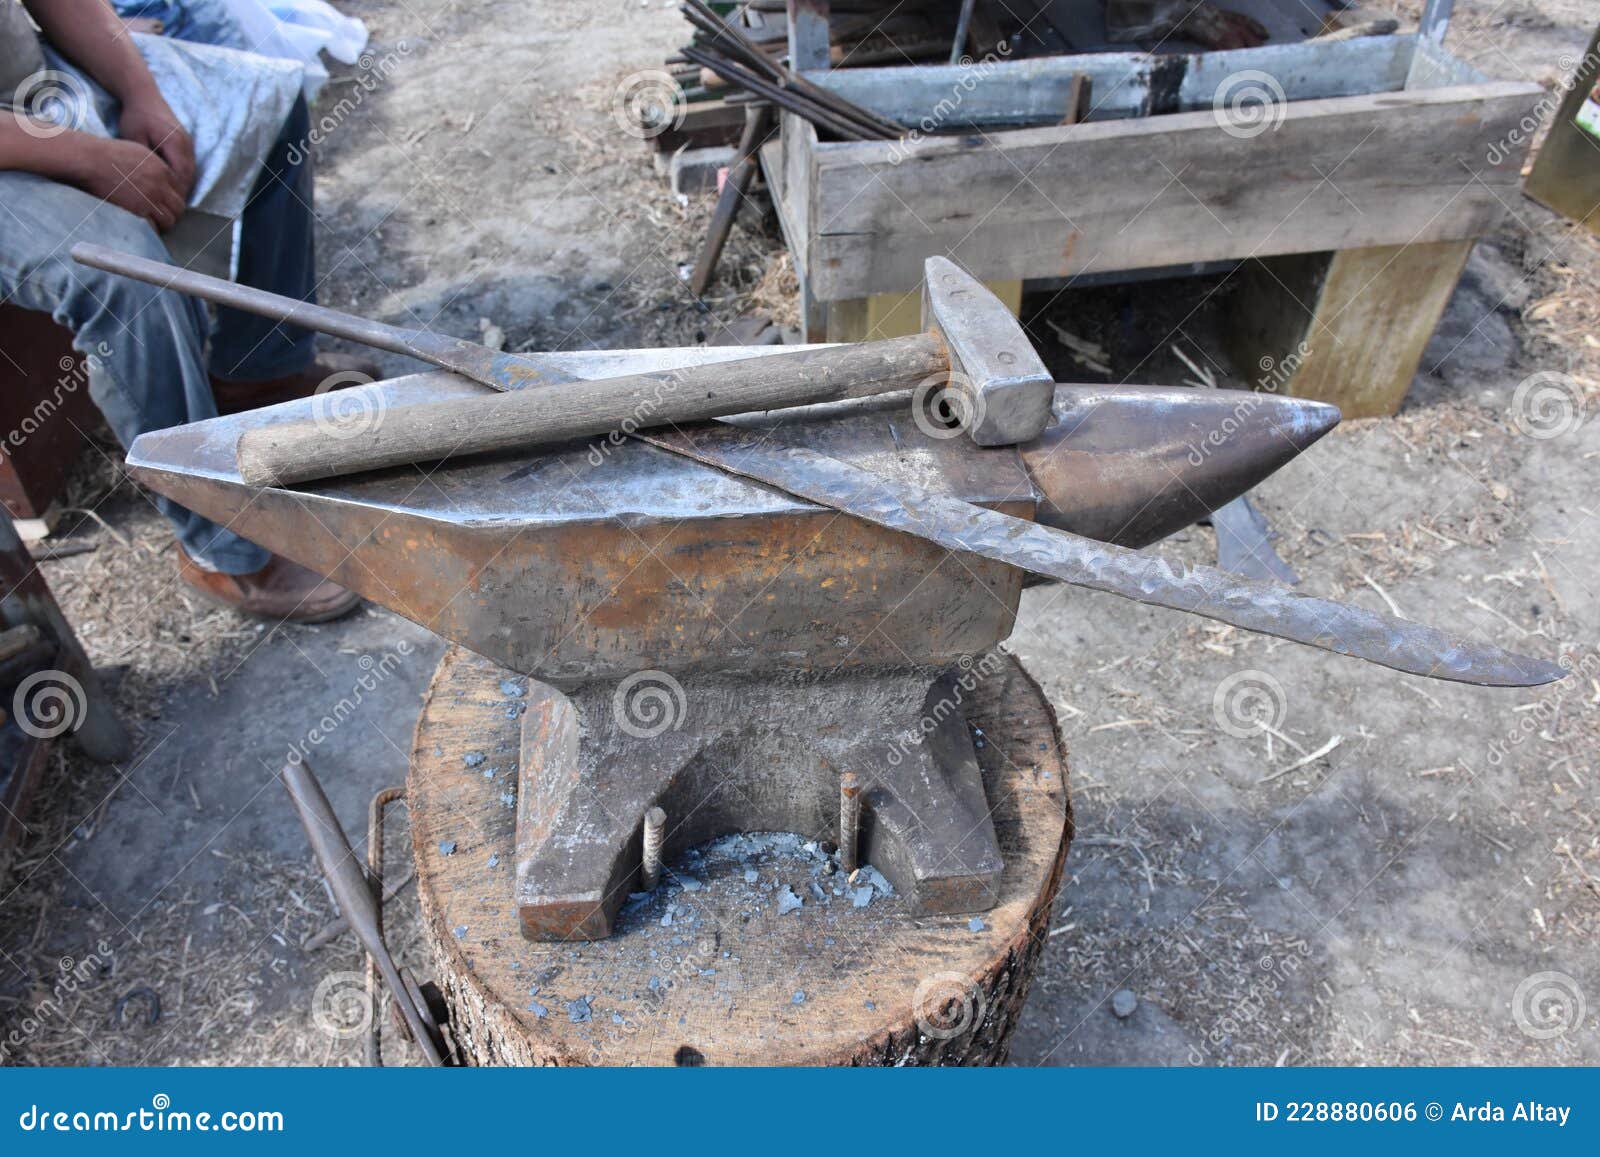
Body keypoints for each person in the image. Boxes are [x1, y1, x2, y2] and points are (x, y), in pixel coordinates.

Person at [0, 0, 363, 621]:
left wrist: (143, 95)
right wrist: (89, 157)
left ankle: (255, 373)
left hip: (30, 96)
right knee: (120, 272)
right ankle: (223, 549)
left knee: (263, 97)